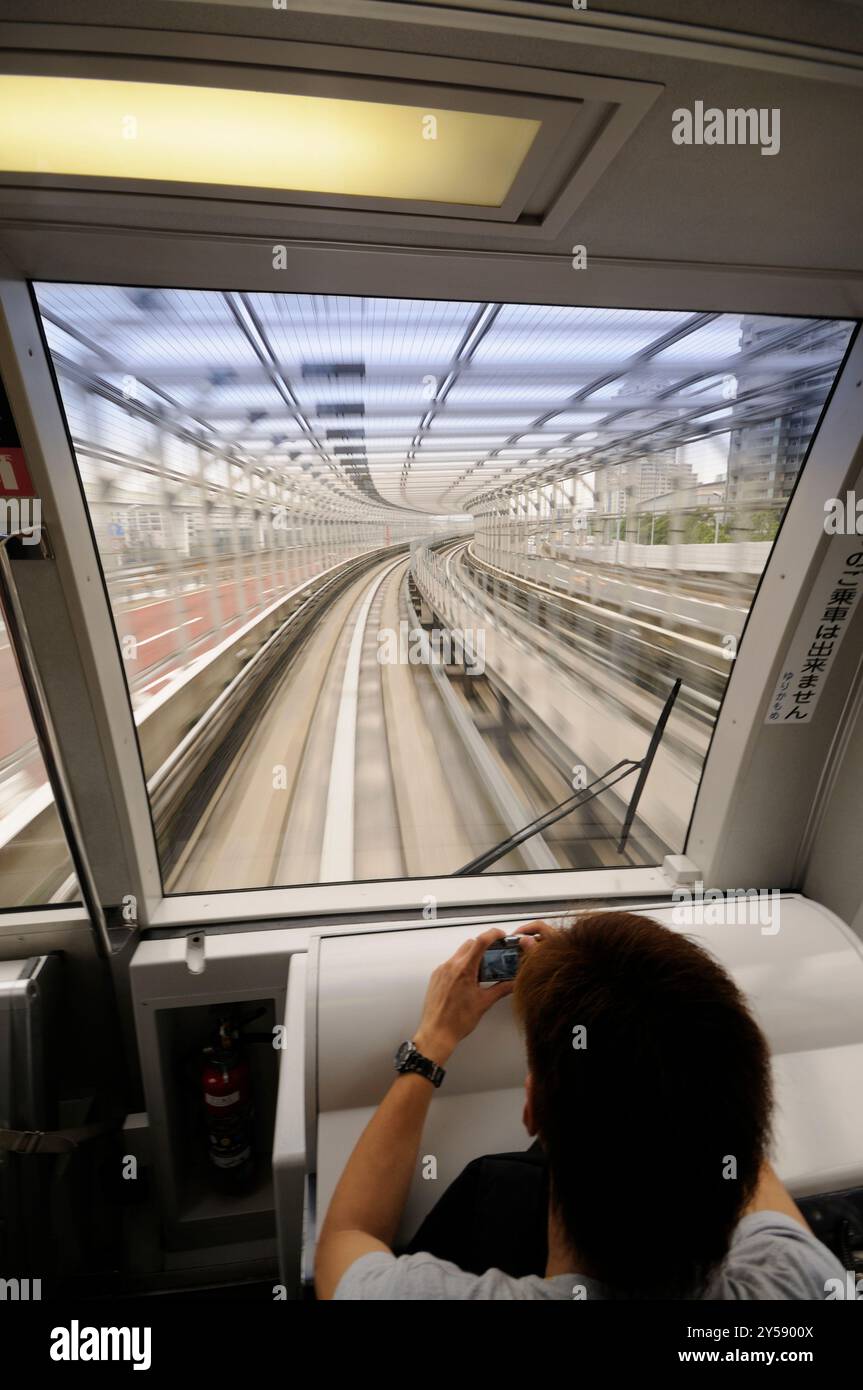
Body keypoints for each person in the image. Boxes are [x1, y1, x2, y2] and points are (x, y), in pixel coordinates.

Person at [315, 911, 845, 1300]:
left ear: (533, 1111)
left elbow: (344, 1242)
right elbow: (725, 1121)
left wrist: (431, 1041)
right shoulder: (799, 1281)